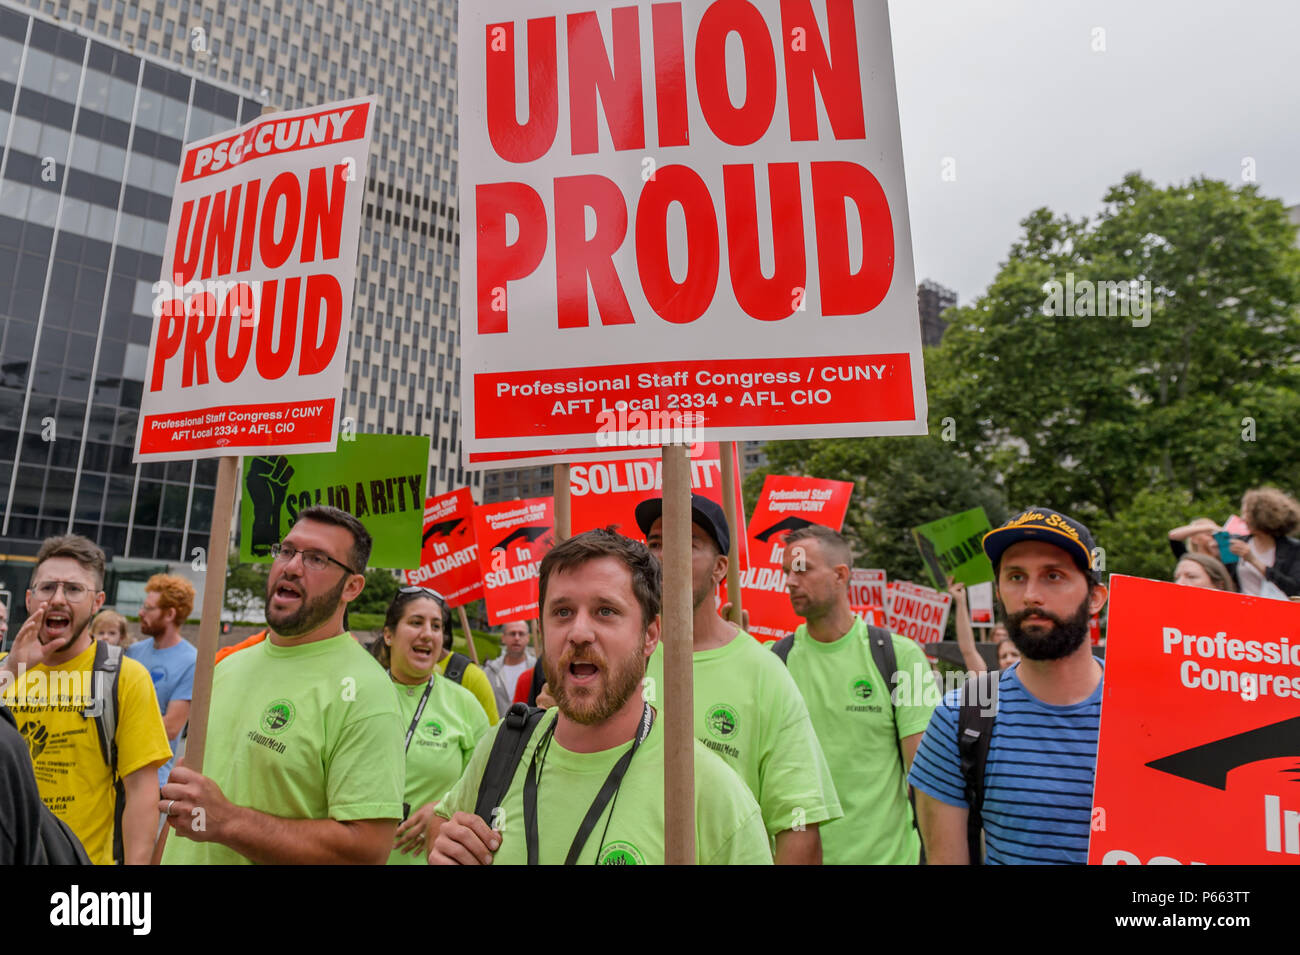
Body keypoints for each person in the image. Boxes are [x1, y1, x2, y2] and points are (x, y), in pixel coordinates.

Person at [428, 529, 772, 865]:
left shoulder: (708, 791)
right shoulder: (502, 746)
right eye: (562, 612)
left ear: (650, 634)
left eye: (605, 611)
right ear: (542, 629)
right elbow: (441, 827)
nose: (578, 632)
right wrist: (446, 847)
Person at [160, 506, 406, 864]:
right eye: (287, 551)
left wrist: (227, 820)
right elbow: (185, 806)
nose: (291, 566)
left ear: (351, 587)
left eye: (317, 559)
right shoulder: (226, 665)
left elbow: (366, 851)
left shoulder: (366, 692)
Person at [637, 494, 841, 864]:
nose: (662, 556)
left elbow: (798, 824)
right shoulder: (618, 660)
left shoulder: (764, 672)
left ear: (719, 569)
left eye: (685, 542)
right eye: (654, 543)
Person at [909, 507, 1108, 864]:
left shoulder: (1146, 709)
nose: (1031, 595)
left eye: (1053, 576)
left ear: (1095, 597)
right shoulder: (959, 718)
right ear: (999, 592)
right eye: (1016, 577)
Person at [0, 535, 171, 865]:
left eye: (74, 589)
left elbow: (141, 794)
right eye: (47, 588)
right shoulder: (5, 670)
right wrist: (13, 669)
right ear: (29, 598)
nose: (58, 599)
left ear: (97, 602)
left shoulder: (125, 677)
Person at [778, 525, 936, 865]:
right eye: (786, 571)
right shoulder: (774, 661)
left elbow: (927, 781)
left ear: (840, 575)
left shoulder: (901, 657)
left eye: (802, 569)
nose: (790, 581)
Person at [372, 586, 489, 864]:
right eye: (416, 622)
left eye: (436, 626)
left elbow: (491, 785)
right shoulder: (360, 694)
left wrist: (444, 808)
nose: (428, 633)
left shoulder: (465, 704)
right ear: (388, 635)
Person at [127, 575, 198, 787]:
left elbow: (171, 727)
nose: (141, 613)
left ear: (169, 614)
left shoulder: (192, 661)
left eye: (148, 608)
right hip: (116, 773)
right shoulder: (133, 651)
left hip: (151, 778)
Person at [1229, 487, 1300, 598]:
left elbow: (1293, 588)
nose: (1242, 518)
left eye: (1246, 513)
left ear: (1262, 516)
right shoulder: (1238, 542)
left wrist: (1253, 560)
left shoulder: (1293, 548)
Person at [949, 580, 1020, 673]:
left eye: (1014, 654)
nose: (1009, 660)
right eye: (1003, 656)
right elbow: (968, 650)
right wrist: (960, 601)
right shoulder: (990, 682)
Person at [482, 619, 536, 717]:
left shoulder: (537, 670)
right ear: (503, 638)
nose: (517, 638)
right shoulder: (489, 672)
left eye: (521, 634)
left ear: (528, 638)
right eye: (512, 633)